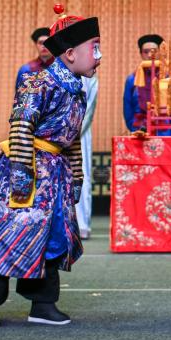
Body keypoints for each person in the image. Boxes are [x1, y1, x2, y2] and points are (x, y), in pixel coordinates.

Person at [0, 6, 101, 328]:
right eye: (94, 47)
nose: (99, 55)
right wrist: (22, 177)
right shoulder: (38, 83)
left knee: (52, 237)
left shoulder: (76, 88)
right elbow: (21, 127)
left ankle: (42, 304)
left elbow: (71, 137)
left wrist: (76, 175)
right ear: (69, 54)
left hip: (55, 174)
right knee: (9, 231)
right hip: (27, 171)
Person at [123, 34, 171, 135]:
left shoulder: (168, 79)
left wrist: (169, 130)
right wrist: (134, 128)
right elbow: (127, 109)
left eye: (154, 51)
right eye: (146, 52)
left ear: (160, 53)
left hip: (163, 131)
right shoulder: (132, 79)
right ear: (141, 54)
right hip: (139, 130)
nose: (150, 55)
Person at [74, 73, 99, 239]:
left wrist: (74, 131)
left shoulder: (91, 78)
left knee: (82, 175)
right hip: (56, 133)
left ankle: (82, 224)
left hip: (80, 135)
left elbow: (89, 109)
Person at [14, 27, 54, 97]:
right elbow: (19, 96)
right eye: (40, 43)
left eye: (47, 42)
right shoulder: (26, 69)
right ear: (36, 45)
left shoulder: (61, 68)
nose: (44, 46)